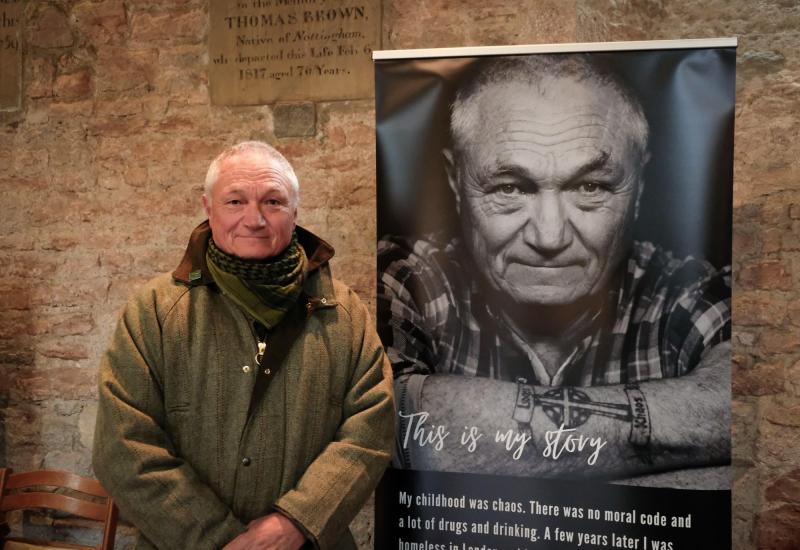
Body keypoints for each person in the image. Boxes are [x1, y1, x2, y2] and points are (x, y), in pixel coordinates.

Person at [377, 55, 731, 481]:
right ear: (456, 183)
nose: (549, 236)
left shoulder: (686, 294)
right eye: (510, 188)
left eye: (590, 186)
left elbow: (752, 404)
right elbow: (382, 421)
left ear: (638, 188)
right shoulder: (405, 280)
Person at [93, 141, 394, 550]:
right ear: (208, 207)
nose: (254, 219)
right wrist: (219, 541)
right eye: (235, 201)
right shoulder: (156, 312)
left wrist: (295, 522)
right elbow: (123, 445)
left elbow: (369, 432)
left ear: (295, 212)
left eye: (273, 201)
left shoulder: (344, 314)